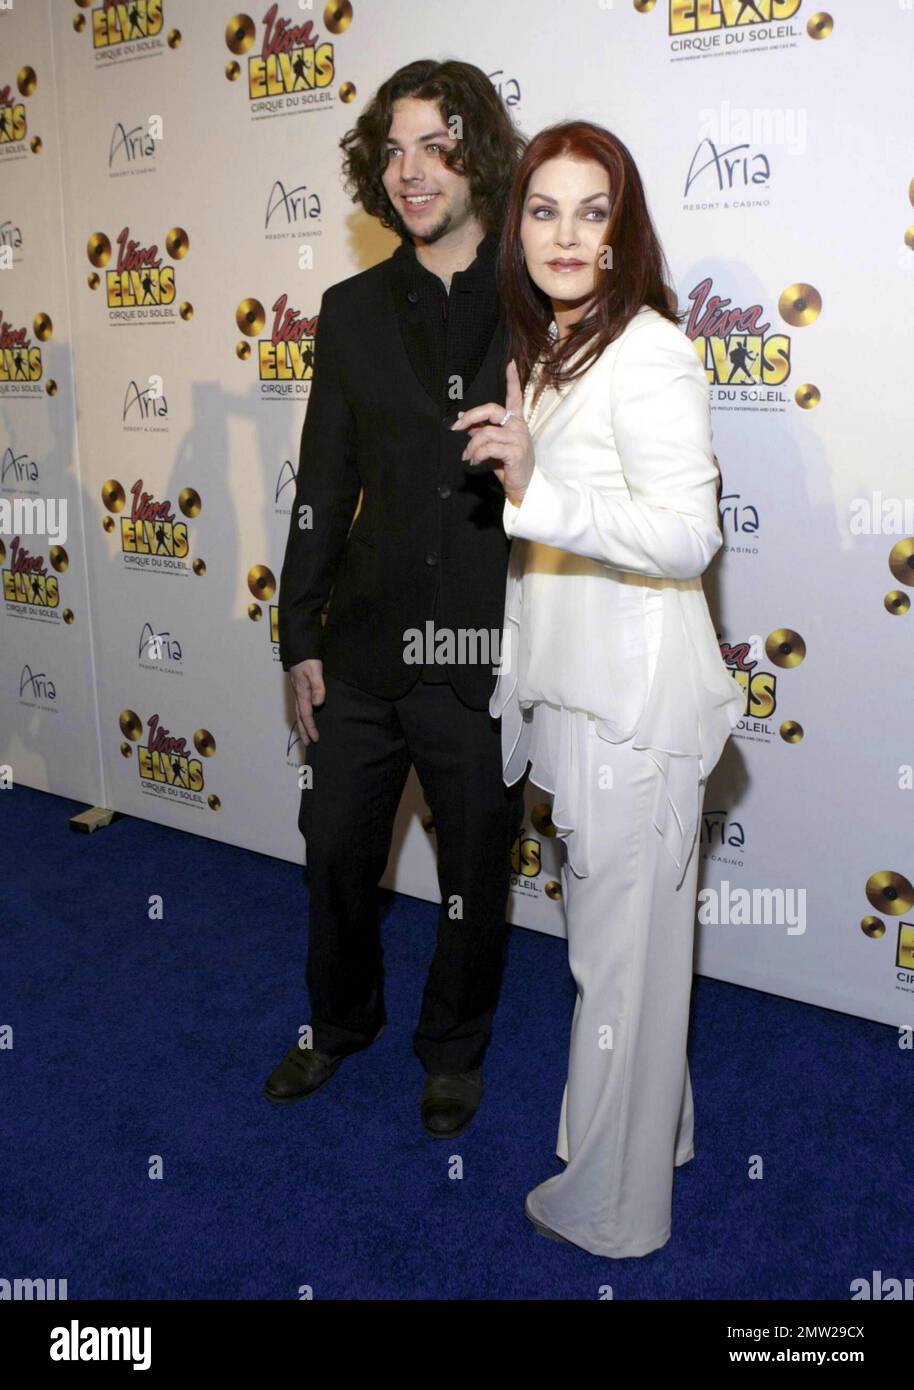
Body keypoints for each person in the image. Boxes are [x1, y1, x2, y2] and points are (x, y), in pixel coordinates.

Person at [452, 121, 742, 1256]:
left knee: (616, 959)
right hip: (580, 700)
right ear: (515, 224)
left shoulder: (652, 350)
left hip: (632, 711)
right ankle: (648, 1141)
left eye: (590, 212)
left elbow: (683, 537)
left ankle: (615, 1210)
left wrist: (535, 487)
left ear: (621, 236)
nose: (563, 234)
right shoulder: (562, 352)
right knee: (618, 951)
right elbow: (548, 559)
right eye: (541, 209)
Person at [264, 60, 527, 1139]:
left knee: (472, 869)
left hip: (481, 646)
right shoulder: (349, 309)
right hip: (364, 643)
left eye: (437, 144)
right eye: (394, 149)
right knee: (333, 850)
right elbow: (323, 486)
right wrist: (298, 634)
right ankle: (338, 1021)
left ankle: (451, 1050)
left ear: (481, 156)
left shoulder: (536, 305)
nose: (411, 171)